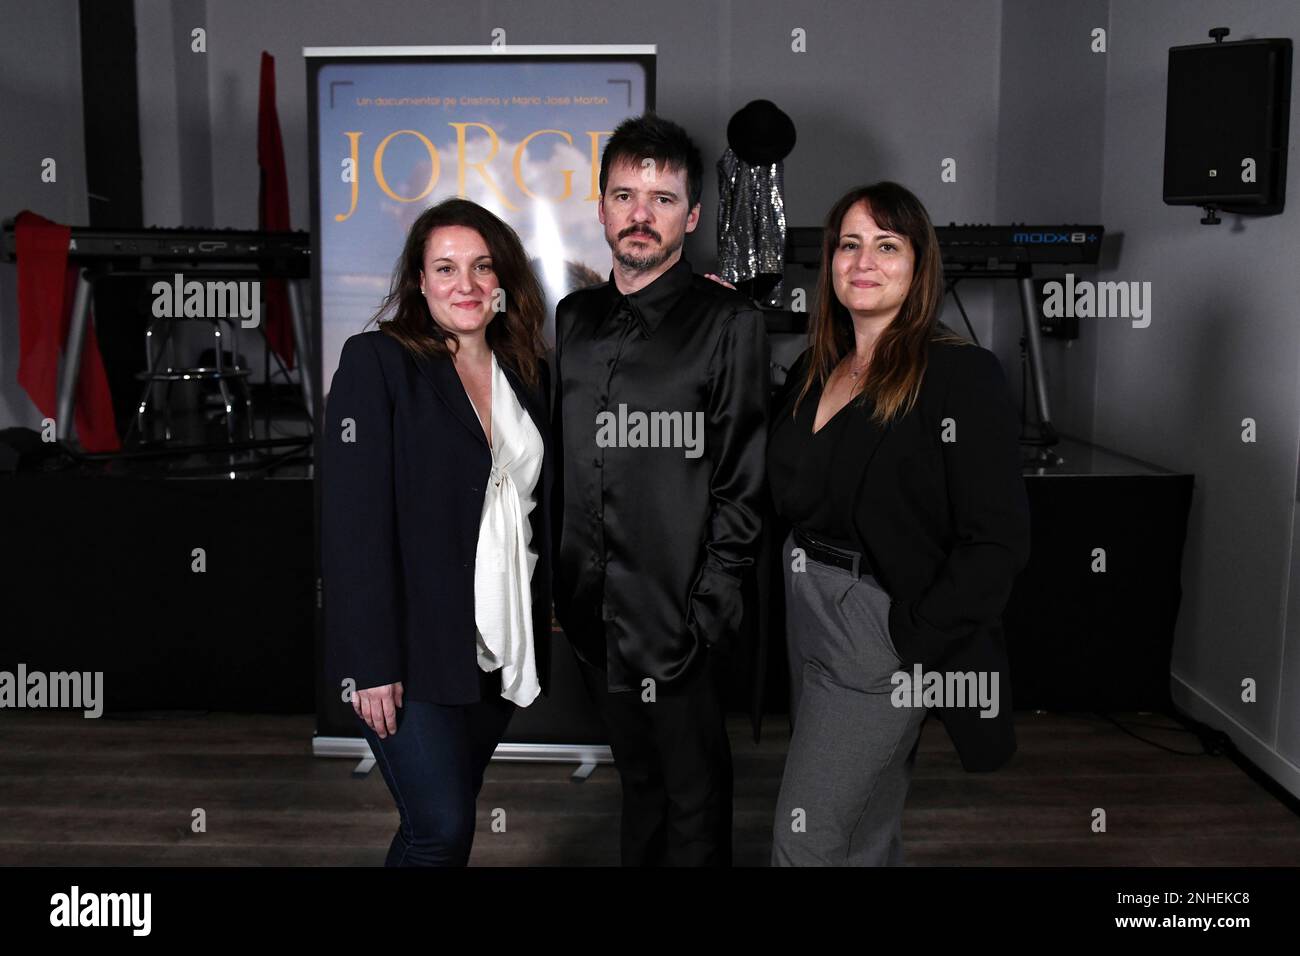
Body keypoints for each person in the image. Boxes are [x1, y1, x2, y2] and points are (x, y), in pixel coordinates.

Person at [766, 181, 1031, 866]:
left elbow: (997, 541)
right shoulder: (815, 366)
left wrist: (909, 636)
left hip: (877, 628)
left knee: (805, 836)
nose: (864, 261)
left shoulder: (959, 375)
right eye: (849, 245)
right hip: (807, 604)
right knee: (866, 826)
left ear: (919, 265)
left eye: (887, 245)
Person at [552, 113, 770, 866]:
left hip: (679, 622)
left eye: (663, 198)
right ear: (603, 205)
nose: (641, 214)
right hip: (591, 618)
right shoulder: (572, 318)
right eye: (625, 195)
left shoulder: (729, 322)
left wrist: (707, 614)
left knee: (694, 803)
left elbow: (744, 479)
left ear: (693, 215)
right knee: (637, 785)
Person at [321, 197, 554, 866]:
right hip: (409, 650)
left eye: (483, 267)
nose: (467, 285)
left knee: (437, 824)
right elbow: (352, 524)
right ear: (419, 282)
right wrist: (372, 664)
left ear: (504, 280)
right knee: (441, 827)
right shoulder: (379, 363)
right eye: (446, 268)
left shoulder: (529, 374)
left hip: (491, 645)